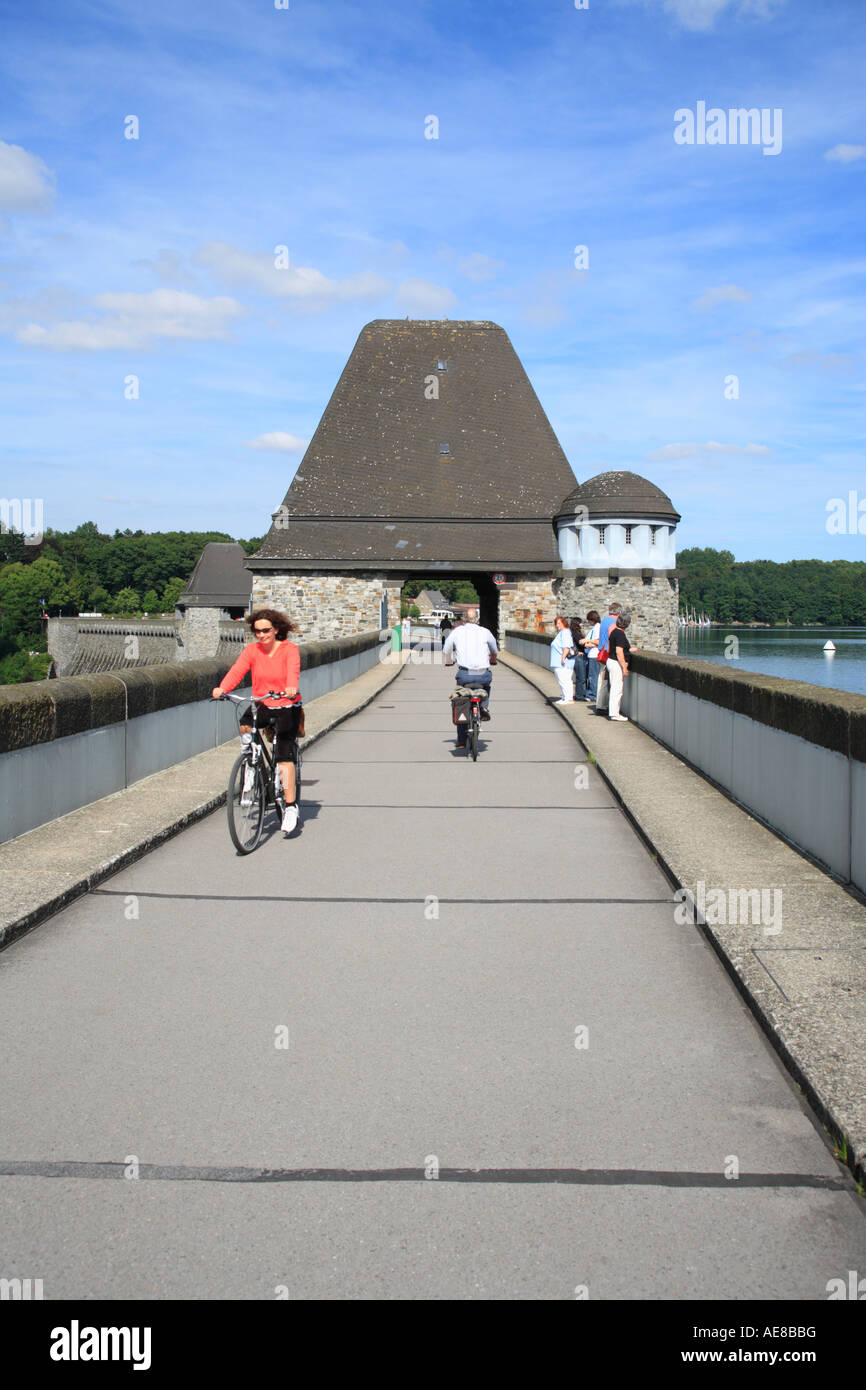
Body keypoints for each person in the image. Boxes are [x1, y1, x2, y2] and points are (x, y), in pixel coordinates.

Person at [212, 608, 303, 833]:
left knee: (283, 757)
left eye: (266, 631)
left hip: (287, 704)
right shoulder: (251, 651)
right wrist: (223, 688)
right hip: (263, 702)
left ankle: (291, 807)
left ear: (276, 630)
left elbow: (293, 671)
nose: (261, 635)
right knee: (245, 722)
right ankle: (251, 763)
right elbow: (237, 670)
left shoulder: (289, 650)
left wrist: (291, 687)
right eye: (257, 631)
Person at [442, 606, 498, 746]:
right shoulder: (485, 632)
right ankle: (484, 706)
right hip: (482, 674)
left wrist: (449, 662)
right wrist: (492, 659)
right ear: (477, 619)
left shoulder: (457, 632)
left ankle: (461, 741)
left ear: (463, 619)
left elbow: (446, 649)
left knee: (461, 701)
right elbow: (494, 649)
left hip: (465, 675)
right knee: (487, 685)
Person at [598, 612, 638, 721]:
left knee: (614, 688)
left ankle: (613, 712)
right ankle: (615, 714)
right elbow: (619, 651)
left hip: (611, 661)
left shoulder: (614, 632)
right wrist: (624, 667)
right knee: (617, 689)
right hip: (616, 664)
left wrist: (629, 650)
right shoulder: (620, 634)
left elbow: (612, 648)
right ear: (627, 624)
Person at [593, 601, 623, 715]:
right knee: (608, 681)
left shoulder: (604, 620)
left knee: (603, 680)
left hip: (601, 652)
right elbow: (613, 638)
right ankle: (606, 707)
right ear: (619, 612)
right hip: (608, 654)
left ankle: (600, 705)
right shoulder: (614, 622)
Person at [550, 615, 576, 704]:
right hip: (559, 661)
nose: (557, 625)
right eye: (556, 624)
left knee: (564, 680)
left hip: (563, 662)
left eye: (559, 623)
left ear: (563, 623)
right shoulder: (562, 633)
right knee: (564, 680)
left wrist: (563, 658)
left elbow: (566, 646)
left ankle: (568, 698)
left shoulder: (565, 632)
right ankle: (566, 697)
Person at [583, 610, 601, 703]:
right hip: (591, 654)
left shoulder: (598, 628)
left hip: (594, 654)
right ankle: (591, 693)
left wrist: (588, 643)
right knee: (591, 675)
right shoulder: (595, 628)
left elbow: (599, 642)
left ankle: (593, 695)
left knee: (592, 676)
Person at [569, 616, 588, 701]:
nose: (582, 624)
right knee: (581, 677)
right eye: (580, 622)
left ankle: (580, 694)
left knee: (580, 676)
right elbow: (580, 643)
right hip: (578, 656)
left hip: (578, 656)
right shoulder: (575, 633)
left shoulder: (573, 632)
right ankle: (580, 696)